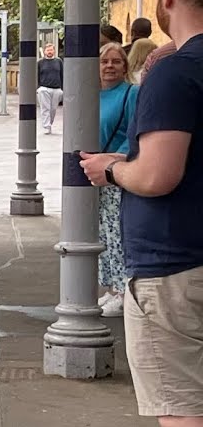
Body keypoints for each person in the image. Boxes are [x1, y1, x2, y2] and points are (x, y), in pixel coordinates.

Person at [80, 0, 203, 427]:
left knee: (185, 420)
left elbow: (157, 175)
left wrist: (111, 169)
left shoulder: (174, 73)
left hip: (176, 268)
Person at [93, 42, 139, 317]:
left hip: (116, 175)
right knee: (103, 234)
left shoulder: (132, 94)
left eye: (116, 62)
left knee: (118, 233)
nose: (110, 66)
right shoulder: (91, 95)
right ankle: (111, 288)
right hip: (94, 174)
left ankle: (124, 292)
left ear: (125, 66)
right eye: (104, 62)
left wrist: (115, 160)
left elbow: (135, 134)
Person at [37, 43, 63, 134]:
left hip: (57, 89)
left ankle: (49, 124)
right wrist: (38, 87)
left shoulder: (58, 61)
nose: (49, 52)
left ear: (54, 51)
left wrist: (63, 89)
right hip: (44, 88)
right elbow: (36, 75)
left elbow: (62, 75)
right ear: (44, 51)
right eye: (48, 50)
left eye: (51, 50)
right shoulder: (40, 62)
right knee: (45, 108)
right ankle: (47, 126)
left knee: (53, 109)